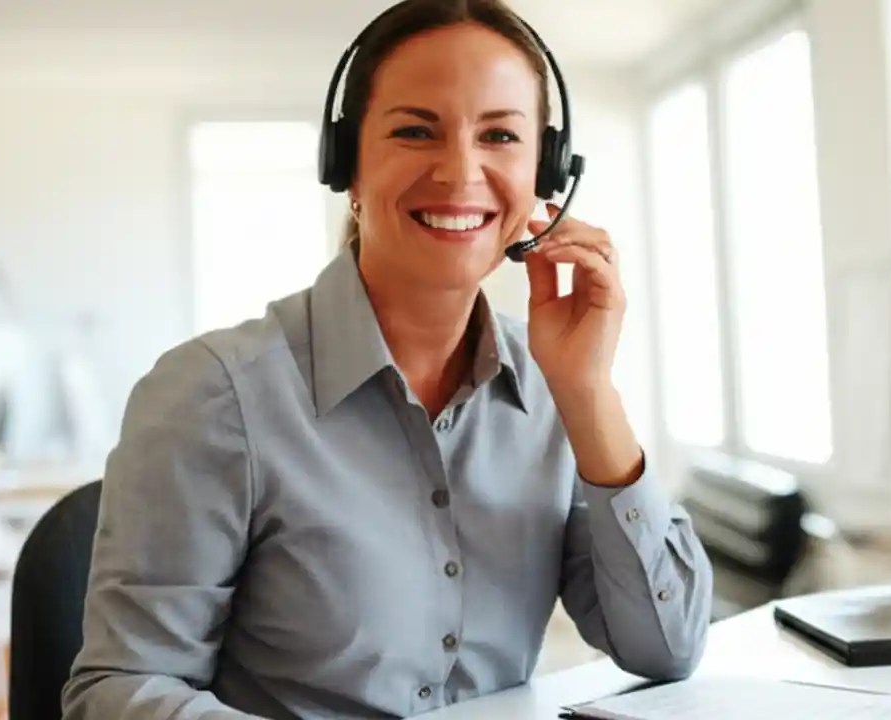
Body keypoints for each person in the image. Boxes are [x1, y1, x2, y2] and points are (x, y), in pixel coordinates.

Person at [63, 1, 713, 718]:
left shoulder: (553, 385)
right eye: (414, 130)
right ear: (346, 165)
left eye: (500, 135)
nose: (462, 170)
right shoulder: (214, 393)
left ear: (547, 172)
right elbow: (119, 693)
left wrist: (588, 391)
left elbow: (669, 647)